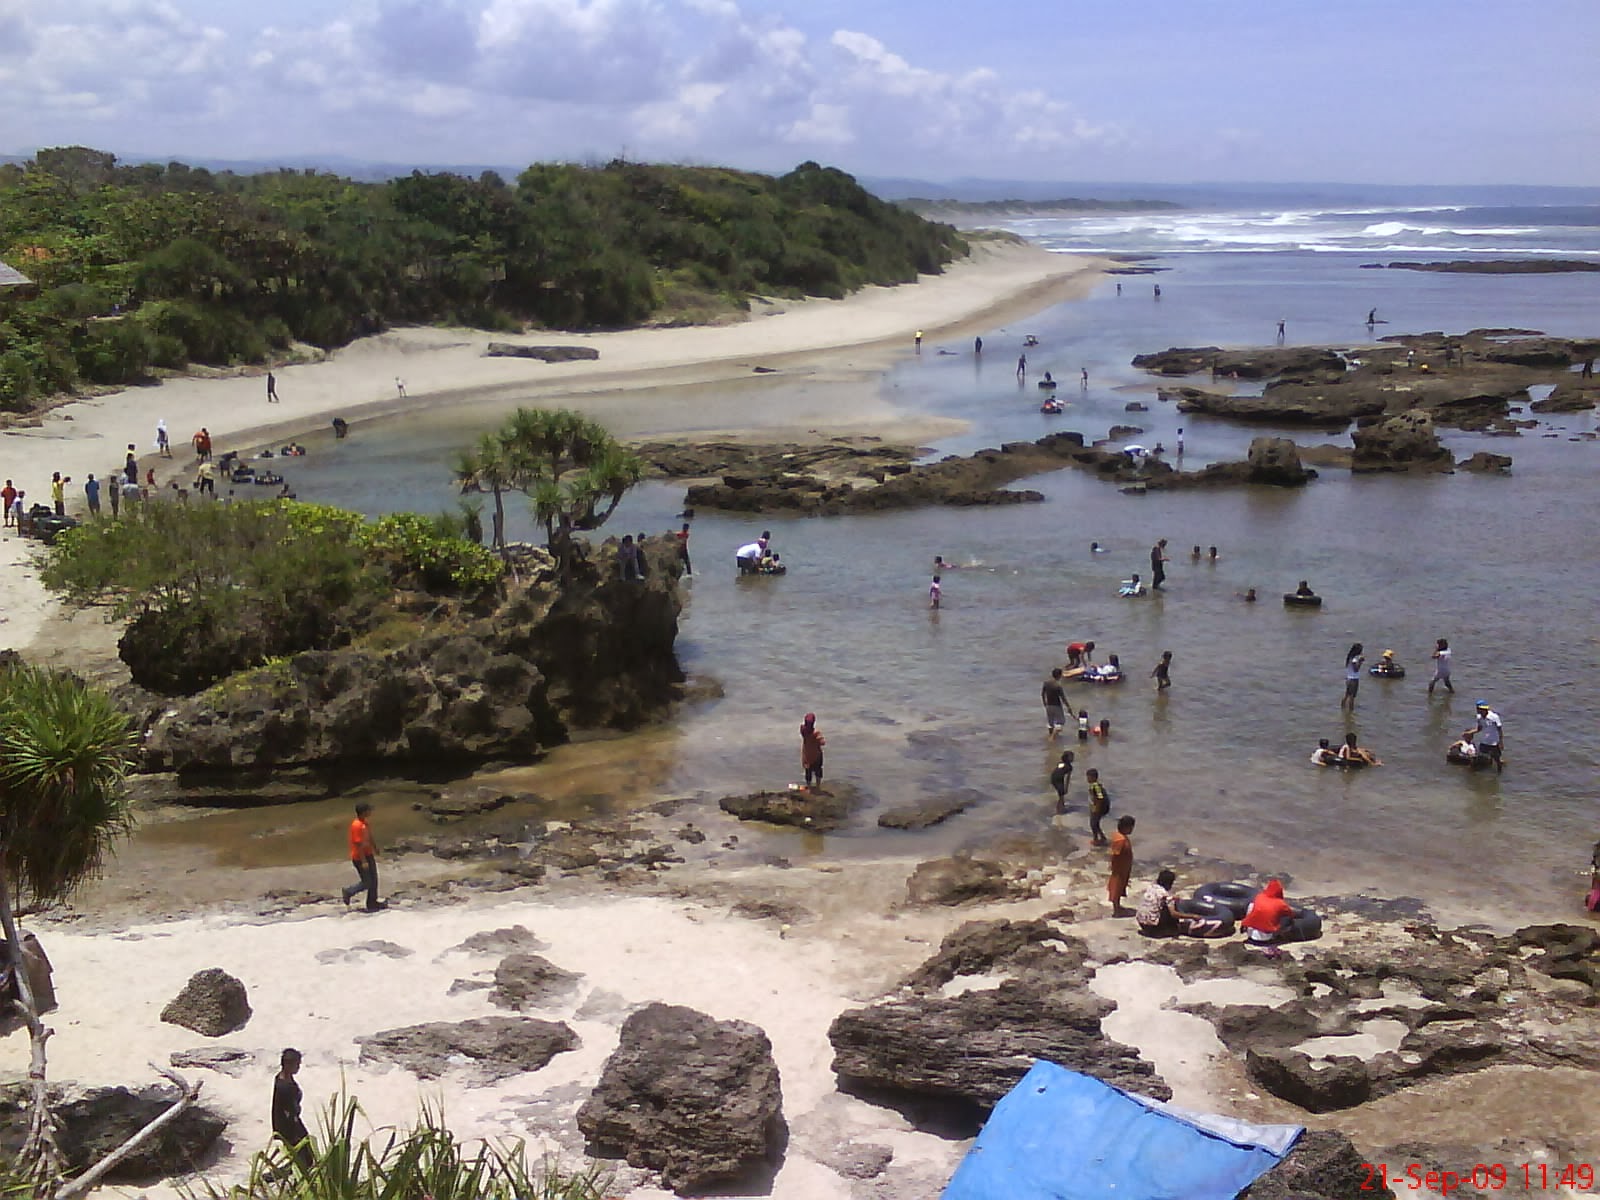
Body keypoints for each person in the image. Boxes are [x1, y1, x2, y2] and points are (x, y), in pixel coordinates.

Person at [272, 1048, 314, 1172]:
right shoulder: (285, 1086)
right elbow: (287, 1110)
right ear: (288, 1064)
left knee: (303, 1158)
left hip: (292, 1123)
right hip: (290, 1127)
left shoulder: (282, 1078)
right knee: (304, 1160)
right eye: (297, 1064)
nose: (298, 1067)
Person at [340, 802, 382, 911]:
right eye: (369, 810)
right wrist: (363, 861)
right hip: (360, 857)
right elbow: (358, 844)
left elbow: (369, 837)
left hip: (368, 854)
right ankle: (349, 891)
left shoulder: (364, 823)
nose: (370, 812)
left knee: (374, 880)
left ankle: (372, 903)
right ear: (364, 812)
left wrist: (375, 848)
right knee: (367, 881)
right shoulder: (357, 825)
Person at [1241, 879, 1293, 950]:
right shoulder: (1281, 904)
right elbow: (1290, 914)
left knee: (1251, 906)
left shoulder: (1259, 897)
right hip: (1267, 939)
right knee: (1287, 918)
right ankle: (1279, 936)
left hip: (1251, 936)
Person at [1135, 868, 1182, 936]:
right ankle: (1168, 930)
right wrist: (1193, 916)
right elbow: (1174, 914)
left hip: (1142, 923)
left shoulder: (1151, 887)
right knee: (1171, 905)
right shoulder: (1165, 894)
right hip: (1152, 926)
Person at [1108, 815, 1136, 916]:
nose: (1132, 829)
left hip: (1123, 867)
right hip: (1119, 869)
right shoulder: (1120, 840)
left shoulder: (1120, 836)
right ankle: (1116, 910)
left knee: (1121, 887)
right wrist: (1114, 867)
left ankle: (1118, 906)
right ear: (1126, 827)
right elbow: (1115, 854)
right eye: (1131, 827)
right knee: (1117, 887)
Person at [1474, 700, 1503, 771]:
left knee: (1497, 759)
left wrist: (1501, 742)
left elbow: (1500, 730)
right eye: (1477, 709)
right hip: (1484, 741)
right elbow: (1479, 728)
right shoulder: (1479, 717)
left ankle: (1499, 772)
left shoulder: (1494, 717)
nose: (1478, 711)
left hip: (1494, 742)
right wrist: (1470, 732)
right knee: (1479, 757)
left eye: (1480, 709)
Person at [800, 713, 825, 788]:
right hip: (816, 756)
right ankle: (818, 786)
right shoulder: (816, 733)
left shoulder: (803, 731)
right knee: (818, 771)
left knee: (808, 772)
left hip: (807, 756)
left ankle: (809, 787)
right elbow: (822, 742)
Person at [1041, 668, 1068, 737]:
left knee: (1050, 723)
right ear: (1059, 675)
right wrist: (1068, 707)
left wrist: (1044, 702)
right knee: (1061, 722)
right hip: (1056, 705)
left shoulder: (1046, 683)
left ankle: (1051, 737)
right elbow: (1063, 698)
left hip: (1048, 705)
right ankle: (1052, 737)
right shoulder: (1058, 685)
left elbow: (1043, 694)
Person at [1086, 768, 1109, 846]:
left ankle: (1096, 839)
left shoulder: (1096, 786)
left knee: (1093, 824)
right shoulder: (1094, 786)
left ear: (1093, 777)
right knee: (1096, 824)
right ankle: (1102, 837)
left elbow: (1100, 797)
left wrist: (1097, 808)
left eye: (1088, 777)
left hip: (1099, 808)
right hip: (1096, 807)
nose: (1087, 779)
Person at [1049, 749, 1074, 814]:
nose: (1073, 758)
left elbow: (1057, 771)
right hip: (1059, 779)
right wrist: (1066, 787)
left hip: (1053, 778)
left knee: (1060, 794)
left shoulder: (1060, 763)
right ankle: (1059, 810)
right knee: (1061, 796)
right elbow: (1067, 778)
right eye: (1072, 757)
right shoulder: (1069, 767)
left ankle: (1061, 807)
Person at [1341, 643, 1365, 710]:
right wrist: (1360, 661)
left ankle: (1343, 709)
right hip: (1353, 680)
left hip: (1349, 678)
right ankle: (1350, 712)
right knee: (1352, 697)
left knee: (1346, 695)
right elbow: (1356, 669)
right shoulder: (1354, 659)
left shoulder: (1349, 658)